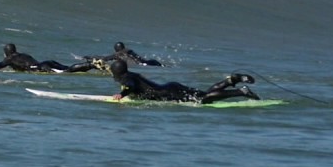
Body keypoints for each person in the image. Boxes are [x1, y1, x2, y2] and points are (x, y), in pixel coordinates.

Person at [107, 58, 258, 104]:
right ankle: (231, 80)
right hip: (170, 87)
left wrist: (122, 94)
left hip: (169, 94)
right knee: (204, 94)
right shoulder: (132, 74)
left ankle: (240, 91)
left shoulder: (126, 78)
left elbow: (130, 86)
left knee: (203, 100)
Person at [0, 43, 95, 73]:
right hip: (46, 63)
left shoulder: (9, 59)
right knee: (67, 69)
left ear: (6, 52)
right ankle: (91, 64)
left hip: (41, 68)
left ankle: (90, 65)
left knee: (68, 71)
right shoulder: (24, 55)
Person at [75, 41, 163, 72]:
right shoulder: (129, 51)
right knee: (152, 62)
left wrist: (87, 57)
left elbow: (104, 58)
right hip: (148, 62)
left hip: (140, 65)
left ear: (116, 49)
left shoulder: (118, 54)